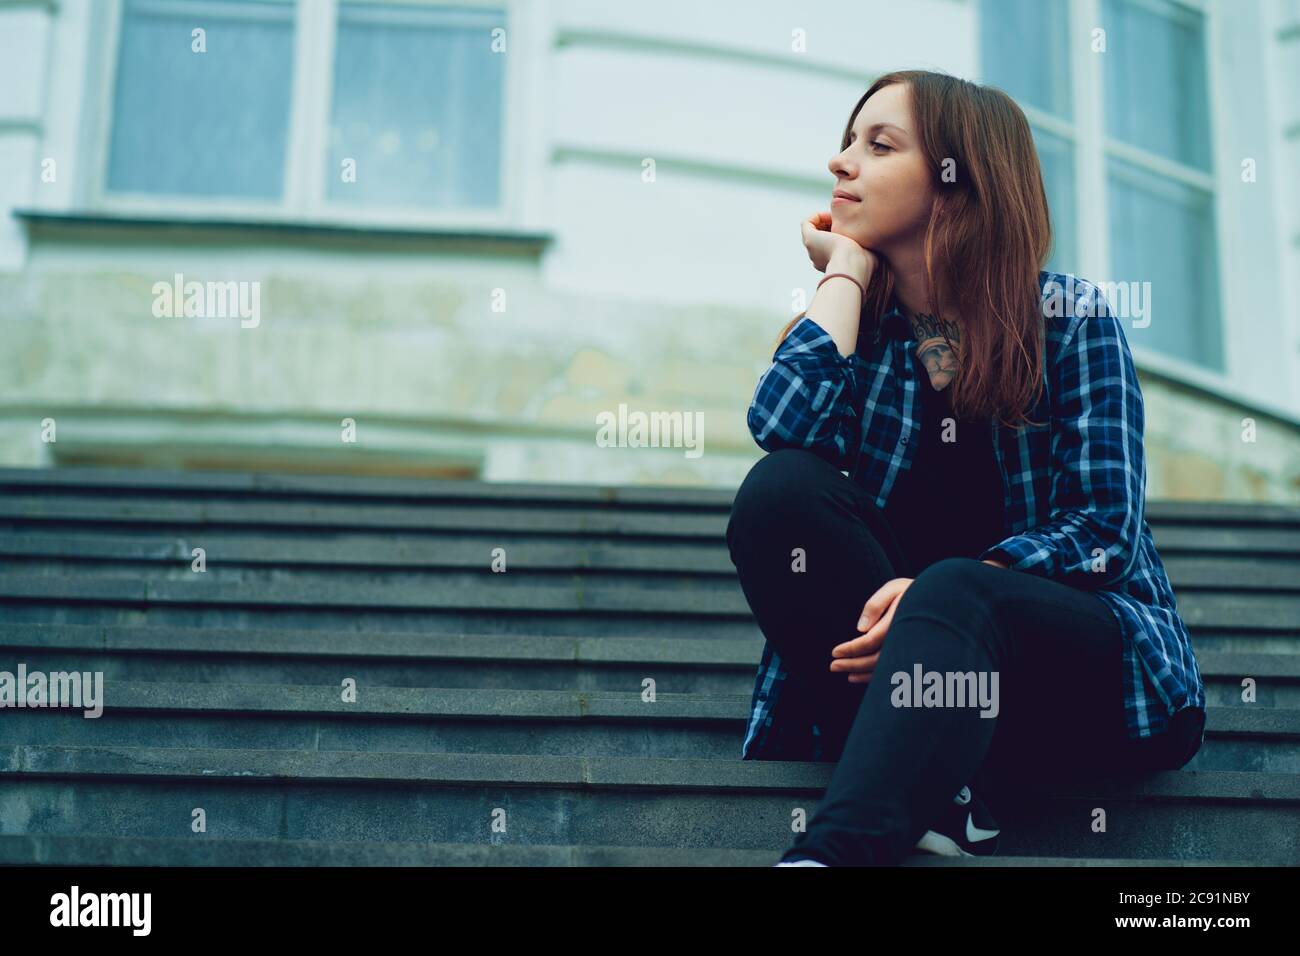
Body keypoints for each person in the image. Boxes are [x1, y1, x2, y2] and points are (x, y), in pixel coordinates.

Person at [726, 70, 1207, 867]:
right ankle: (939, 790)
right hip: (891, 685)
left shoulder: (1070, 321)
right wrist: (842, 272)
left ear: (958, 181)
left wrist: (947, 596)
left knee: (953, 585)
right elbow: (780, 435)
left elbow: (1102, 533)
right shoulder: (861, 333)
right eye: (848, 142)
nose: (842, 162)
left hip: (1065, 675)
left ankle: (833, 854)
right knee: (782, 494)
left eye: (879, 146)